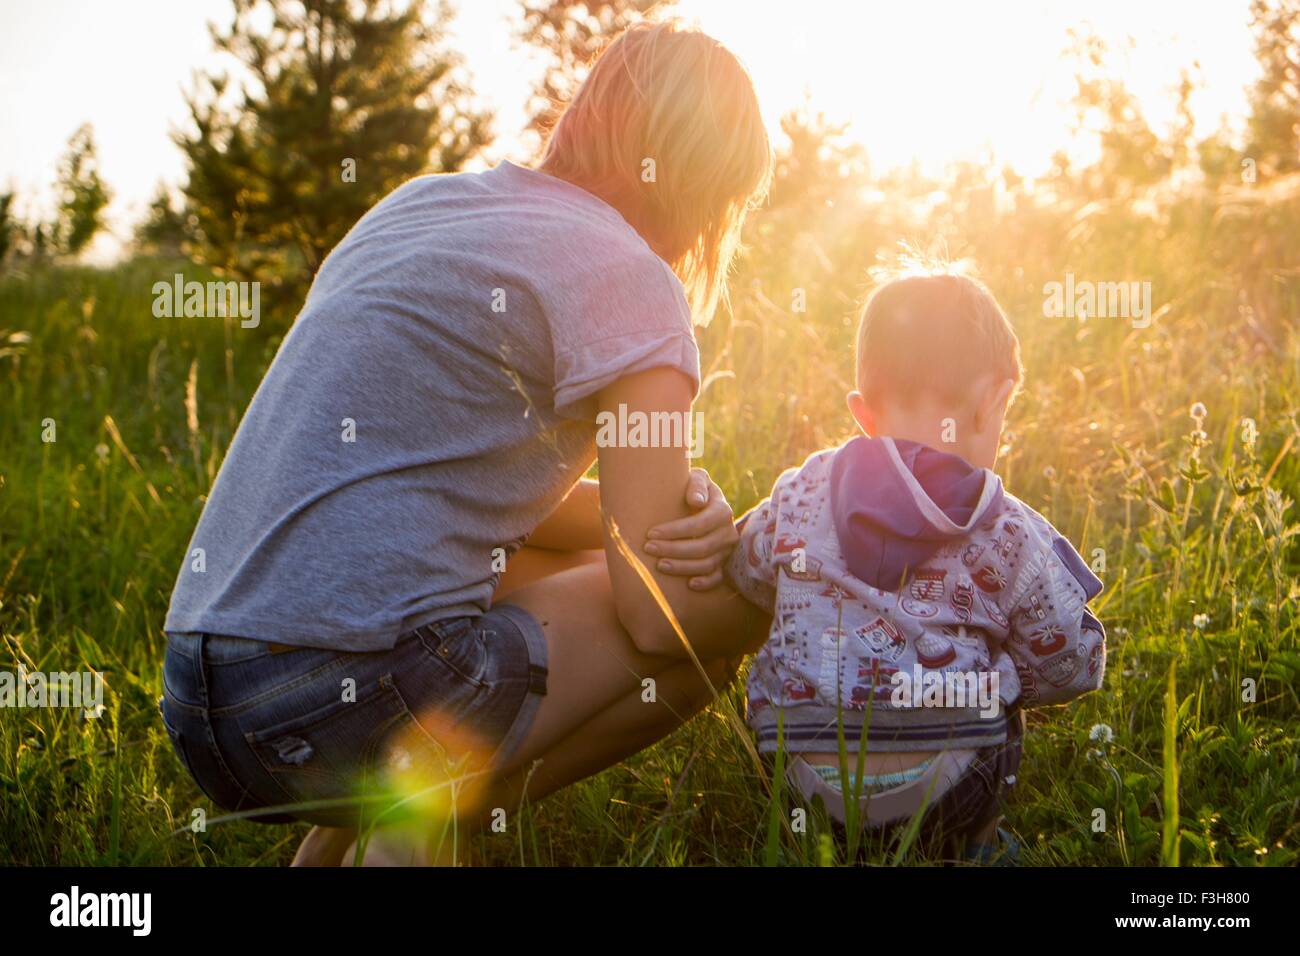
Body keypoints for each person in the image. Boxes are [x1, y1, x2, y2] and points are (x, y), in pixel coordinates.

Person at [159, 20, 773, 865]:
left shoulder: (418, 206)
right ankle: (428, 825)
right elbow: (654, 612)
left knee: (485, 577)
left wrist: (665, 508)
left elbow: (443, 496)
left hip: (203, 698)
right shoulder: (631, 276)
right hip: (349, 700)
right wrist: (773, 567)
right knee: (711, 634)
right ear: (705, 186)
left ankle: (339, 850)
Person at [725, 271, 1107, 862]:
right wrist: (1005, 672)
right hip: (947, 791)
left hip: (796, 779)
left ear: (862, 413)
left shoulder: (801, 492)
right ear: (994, 401)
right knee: (990, 697)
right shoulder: (1007, 529)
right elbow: (1070, 666)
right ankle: (975, 847)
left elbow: (745, 572)